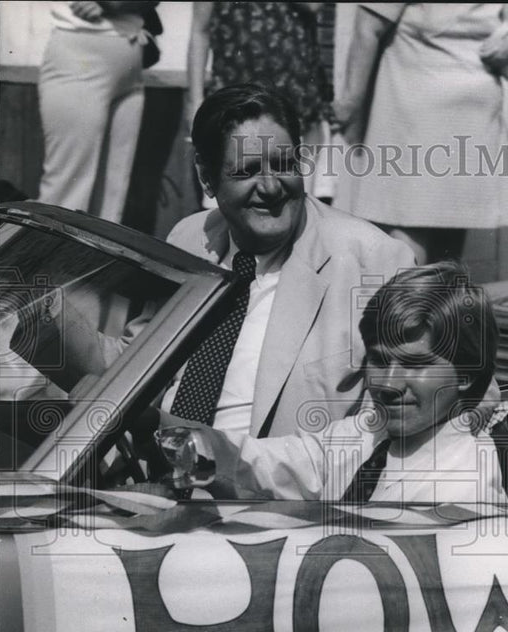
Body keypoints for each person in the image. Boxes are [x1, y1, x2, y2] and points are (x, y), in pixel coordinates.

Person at [120, 83, 416, 441]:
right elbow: (134, 365)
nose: (272, 187)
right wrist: (48, 323)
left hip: (272, 489)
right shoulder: (188, 238)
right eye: (247, 171)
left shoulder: (373, 261)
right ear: (206, 177)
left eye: (283, 164)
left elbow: (434, 399)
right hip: (154, 475)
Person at [158, 262, 507, 505]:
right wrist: (185, 440)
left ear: (467, 375)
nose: (388, 384)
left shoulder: (463, 486)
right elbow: (273, 464)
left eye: (416, 365)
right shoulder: (363, 434)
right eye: (379, 360)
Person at [333, 3, 508, 264]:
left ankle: (414, 304)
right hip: (468, 109)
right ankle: (436, 303)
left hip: (417, 108)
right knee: (447, 229)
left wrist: (348, 105)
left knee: (407, 226)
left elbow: (367, 30)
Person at [184, 2, 334, 200]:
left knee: (297, 201)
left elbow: (314, 5)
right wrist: (195, 100)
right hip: (235, 101)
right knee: (231, 197)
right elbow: (199, 31)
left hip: (298, 100)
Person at [37, 1, 159, 222]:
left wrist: (113, 5)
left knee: (111, 207)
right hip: (80, 56)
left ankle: (96, 258)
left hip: (131, 58)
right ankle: (48, 256)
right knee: (65, 195)